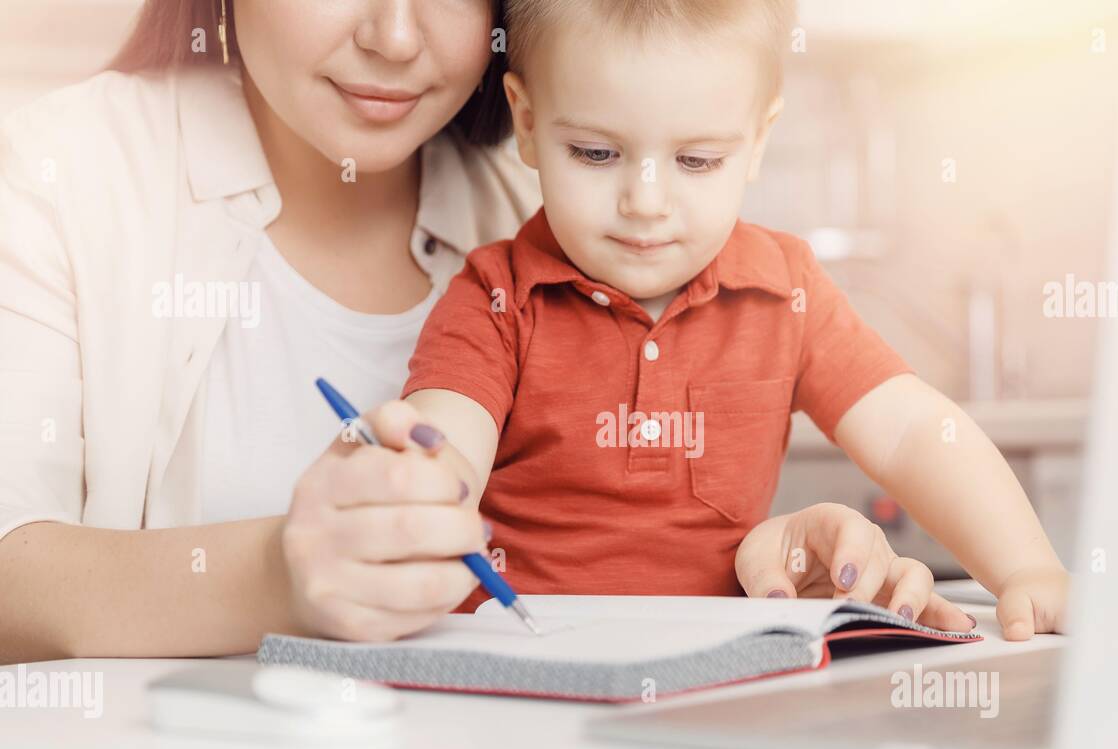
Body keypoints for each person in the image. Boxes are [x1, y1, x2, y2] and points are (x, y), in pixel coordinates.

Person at [400, 0, 1071, 634]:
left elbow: (913, 433)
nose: (646, 202)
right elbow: (445, 443)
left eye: (696, 160)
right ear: (526, 122)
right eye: (596, 153)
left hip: (718, 670)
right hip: (520, 667)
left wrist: (1027, 568)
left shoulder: (787, 289)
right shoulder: (495, 296)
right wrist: (425, 484)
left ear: (757, 141)